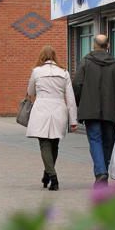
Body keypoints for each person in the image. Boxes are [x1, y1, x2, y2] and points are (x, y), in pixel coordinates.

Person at [73, 34, 115, 187]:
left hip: (90, 111)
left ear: (93, 45)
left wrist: (80, 104)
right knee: (107, 142)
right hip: (111, 111)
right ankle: (102, 171)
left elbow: (77, 85)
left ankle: (101, 173)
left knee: (95, 141)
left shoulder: (85, 62)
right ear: (108, 46)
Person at [25, 46, 78, 191]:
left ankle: (53, 176)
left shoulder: (36, 71)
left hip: (41, 108)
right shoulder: (64, 72)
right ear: (55, 56)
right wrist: (73, 120)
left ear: (41, 56)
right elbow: (70, 97)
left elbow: (30, 91)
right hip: (59, 109)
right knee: (54, 144)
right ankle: (48, 173)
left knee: (44, 144)